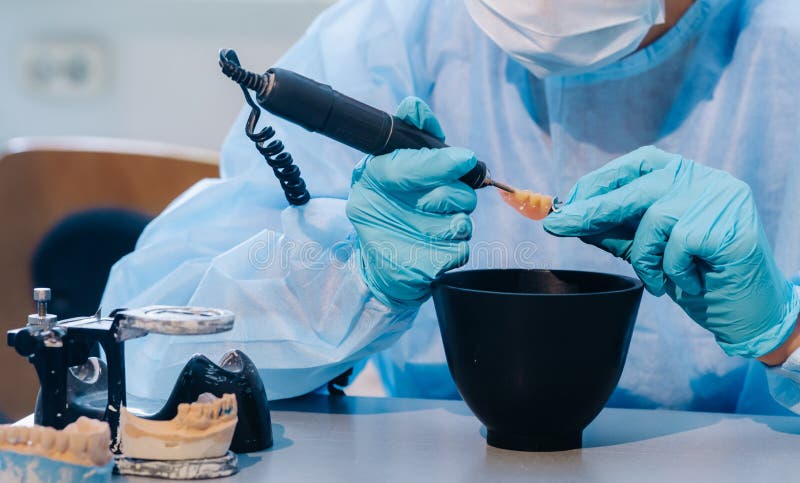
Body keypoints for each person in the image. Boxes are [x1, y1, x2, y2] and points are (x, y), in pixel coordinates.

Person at [102, 0, 800, 414]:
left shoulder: (780, 49)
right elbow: (137, 350)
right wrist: (343, 282)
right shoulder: (393, 37)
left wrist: (787, 338)